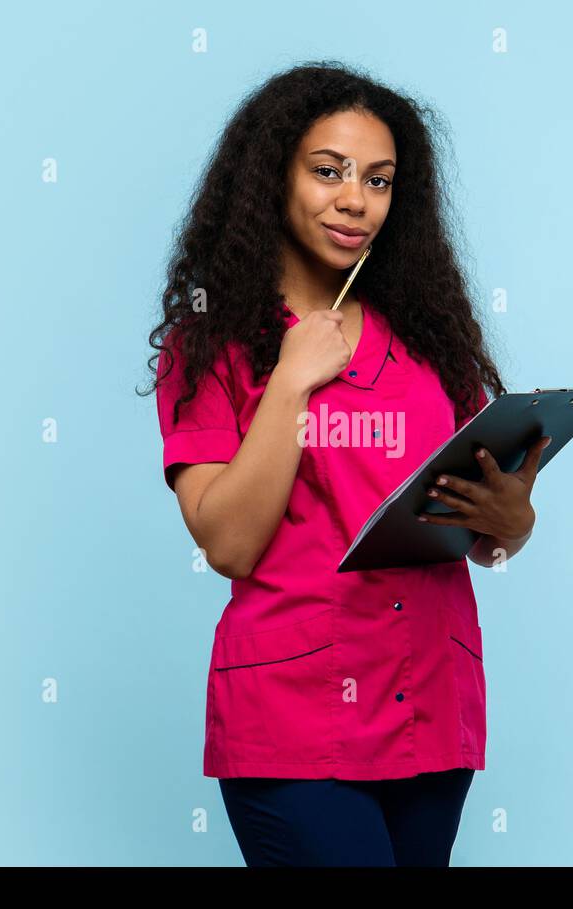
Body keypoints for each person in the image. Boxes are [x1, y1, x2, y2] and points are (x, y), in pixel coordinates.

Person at [145, 62, 551, 866]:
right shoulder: (212, 345)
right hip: (293, 719)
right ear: (272, 179)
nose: (355, 199)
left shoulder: (432, 340)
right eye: (327, 171)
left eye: (378, 179)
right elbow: (226, 544)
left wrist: (512, 524)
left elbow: (484, 534)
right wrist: (292, 377)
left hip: (430, 707)